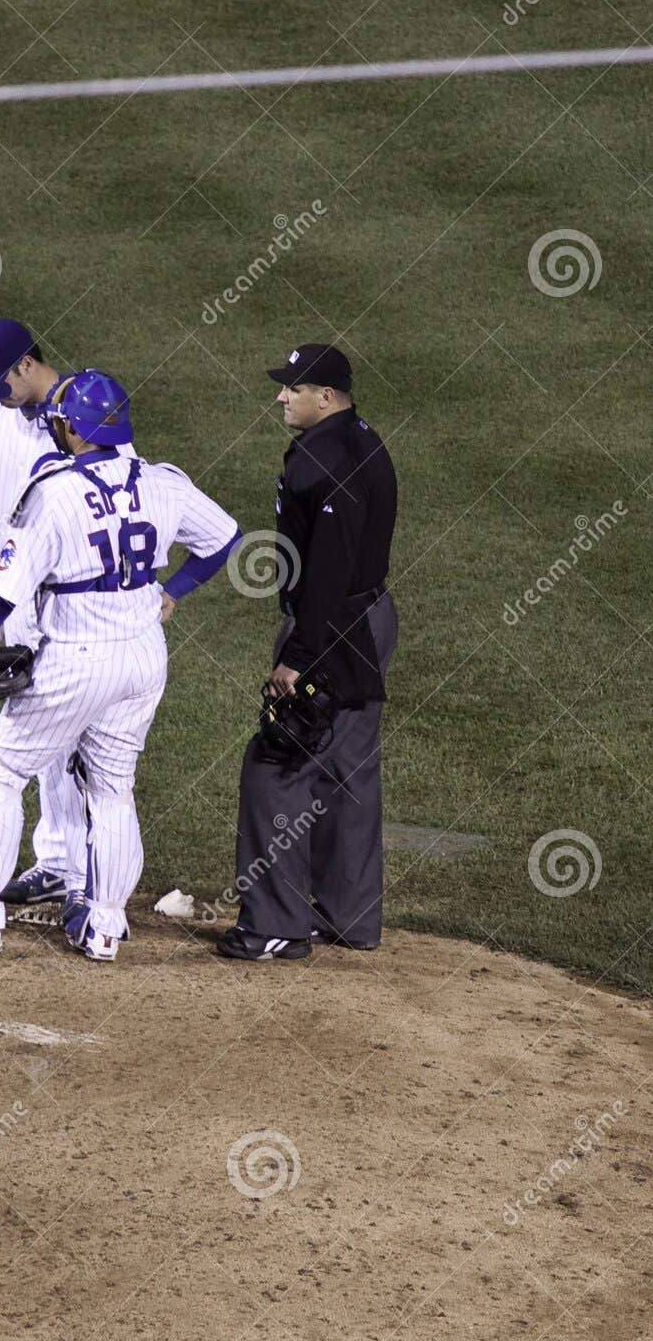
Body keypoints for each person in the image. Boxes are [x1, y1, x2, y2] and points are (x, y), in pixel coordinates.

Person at [0, 370, 240, 960]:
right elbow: (224, 538)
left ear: (71, 428)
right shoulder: (162, 483)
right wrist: (173, 590)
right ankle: (104, 927)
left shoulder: (52, 493)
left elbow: (2, 594)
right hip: (142, 658)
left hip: (77, 658)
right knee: (112, 788)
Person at [219, 343, 398, 962]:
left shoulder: (326, 459)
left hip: (334, 624)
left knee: (277, 764)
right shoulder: (361, 437)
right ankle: (349, 915)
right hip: (364, 616)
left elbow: (327, 567)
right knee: (348, 767)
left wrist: (299, 654)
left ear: (327, 396)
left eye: (292, 388)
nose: (280, 397)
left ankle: (274, 923)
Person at [0, 317, 136, 908]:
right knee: (46, 748)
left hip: (73, 610)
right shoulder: (1, 419)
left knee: (81, 751)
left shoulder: (93, 412)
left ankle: (85, 879)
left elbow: (117, 502)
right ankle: (59, 860)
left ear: (24, 366)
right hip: (18, 597)